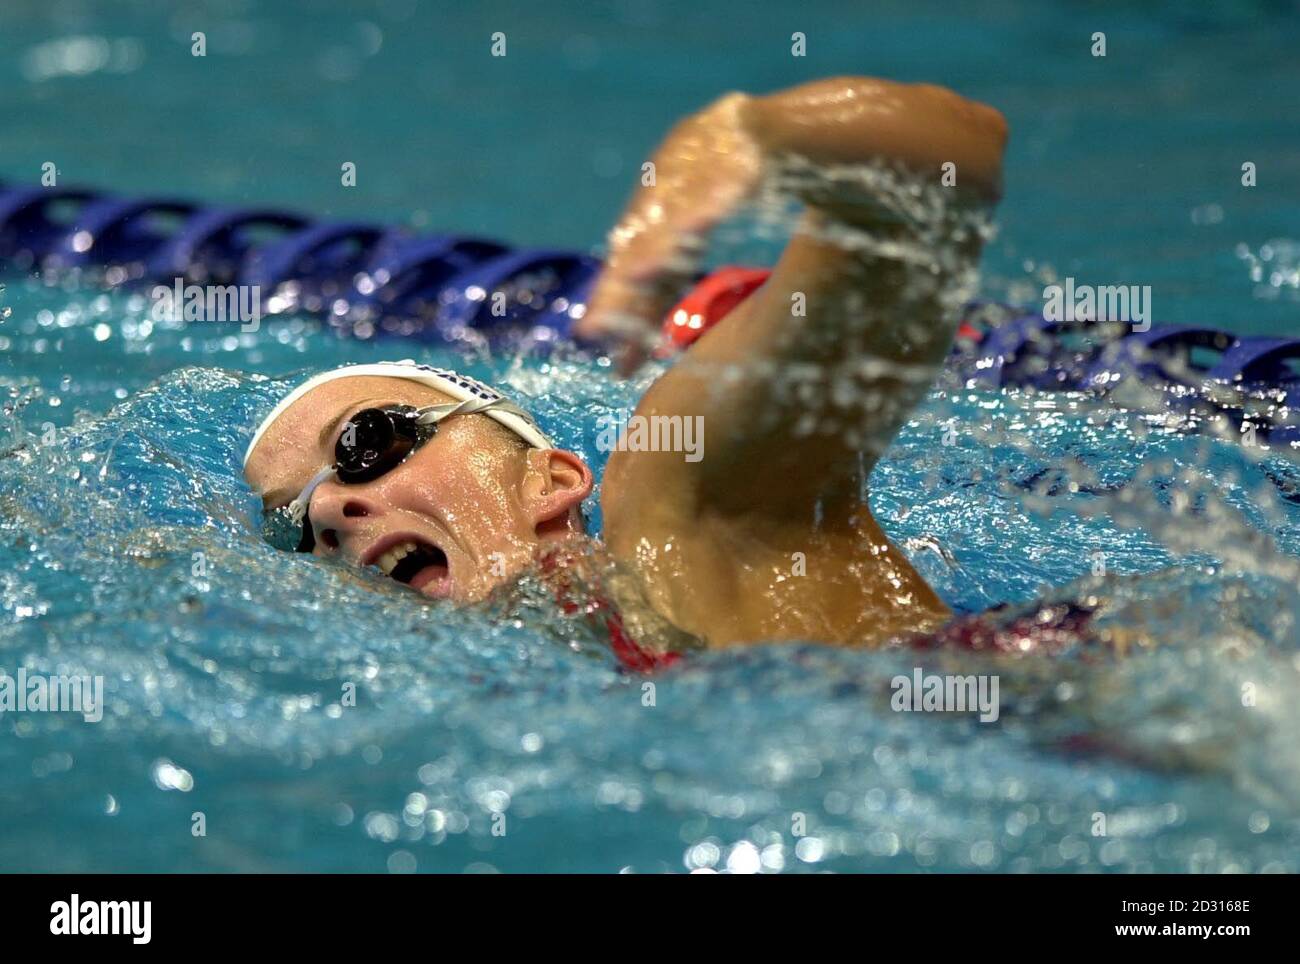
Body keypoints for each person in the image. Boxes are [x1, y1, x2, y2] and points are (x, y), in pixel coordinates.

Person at [243, 76, 1008, 654]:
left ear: (552, 481)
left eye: (366, 443)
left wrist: (740, 136)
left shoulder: (680, 515)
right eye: (289, 530)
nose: (322, 513)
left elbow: (942, 156)